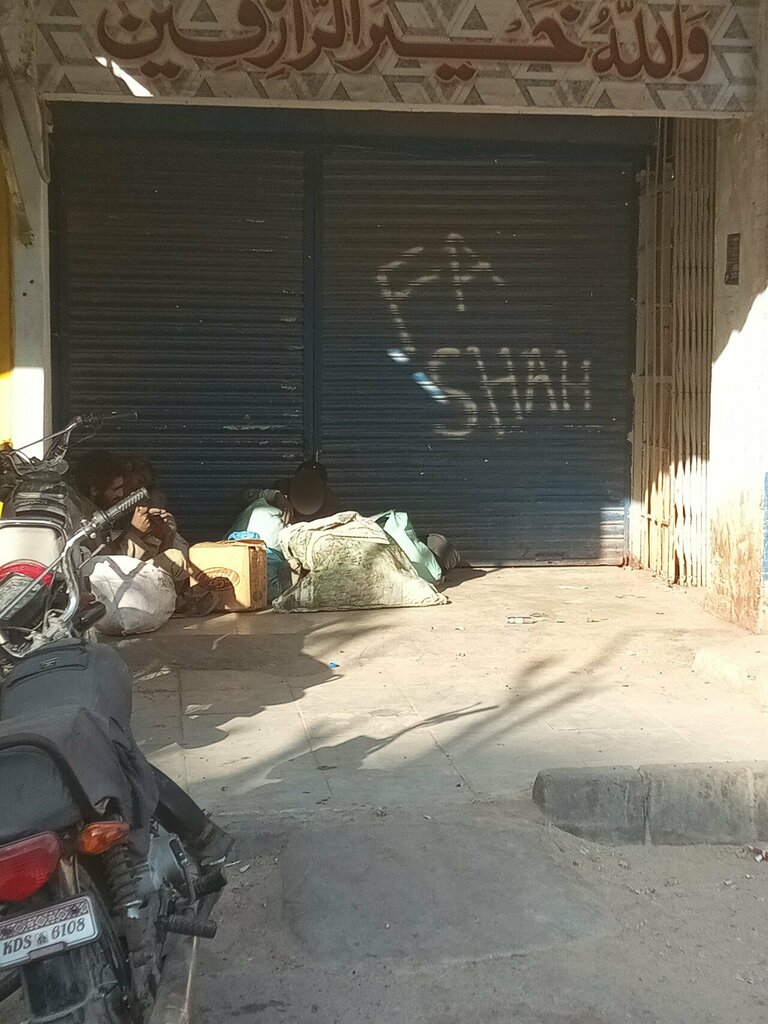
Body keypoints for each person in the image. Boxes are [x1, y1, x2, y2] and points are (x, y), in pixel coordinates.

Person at [73, 449, 214, 615]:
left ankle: (175, 601)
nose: (120, 494)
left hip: (120, 577)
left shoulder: (94, 508)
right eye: (116, 488)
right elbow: (108, 566)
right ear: (95, 490)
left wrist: (163, 535)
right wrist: (134, 532)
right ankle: (176, 604)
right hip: (109, 587)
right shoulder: (84, 518)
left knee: (175, 554)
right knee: (175, 560)